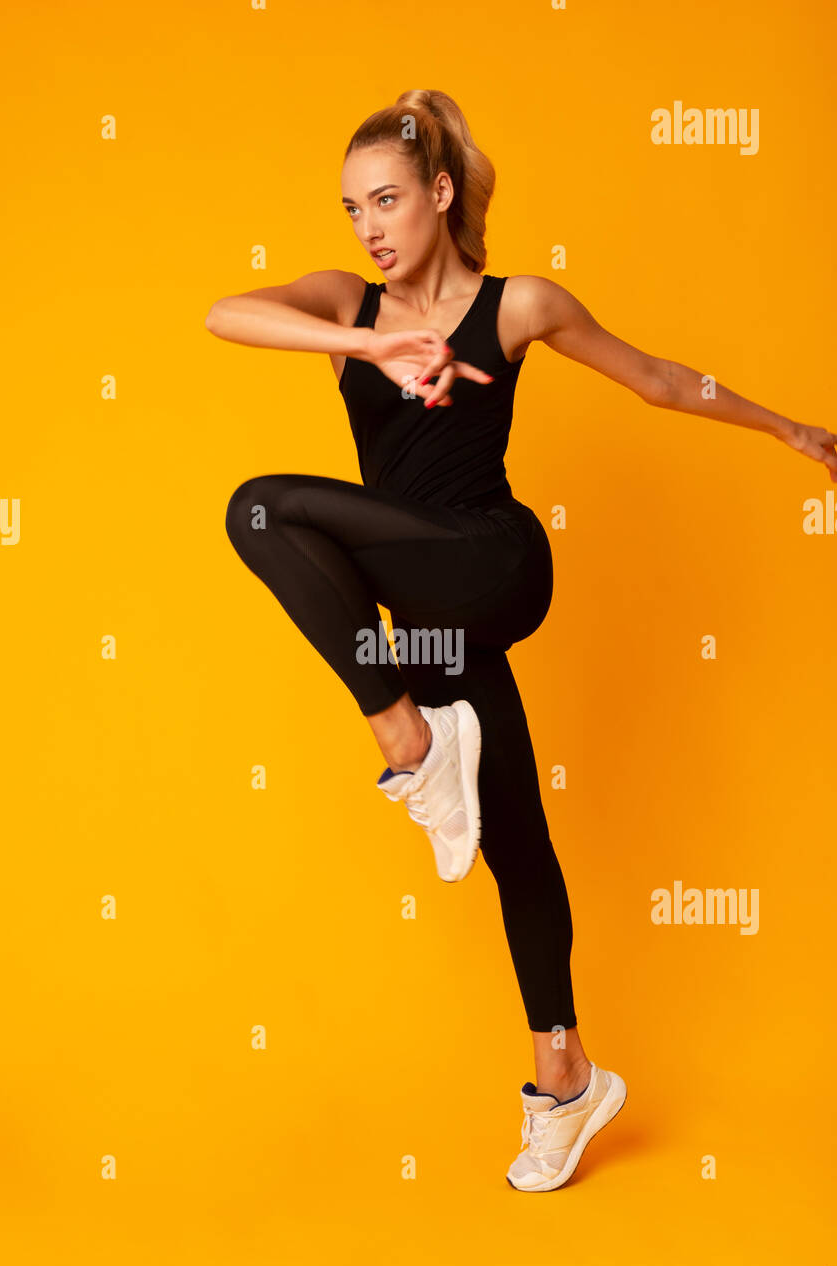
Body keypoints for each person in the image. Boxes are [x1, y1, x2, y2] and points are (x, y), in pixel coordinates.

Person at [206, 88, 837, 1193]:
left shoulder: (515, 305)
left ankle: (407, 744)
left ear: (439, 195)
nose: (369, 226)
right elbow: (223, 313)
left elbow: (653, 379)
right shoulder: (344, 303)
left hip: (495, 562)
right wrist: (366, 339)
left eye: (389, 200)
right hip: (432, 620)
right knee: (514, 840)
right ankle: (567, 1076)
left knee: (262, 502)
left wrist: (784, 425)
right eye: (354, 207)